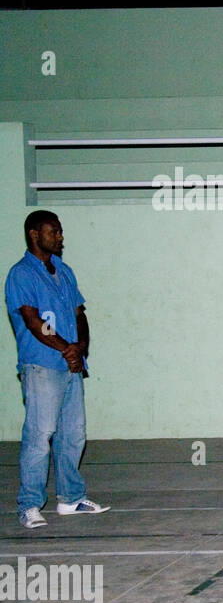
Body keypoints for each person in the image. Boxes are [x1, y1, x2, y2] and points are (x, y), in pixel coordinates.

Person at [5, 211, 109, 529]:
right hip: (42, 365)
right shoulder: (21, 274)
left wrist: (80, 348)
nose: (60, 237)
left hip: (71, 364)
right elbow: (33, 321)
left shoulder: (64, 272)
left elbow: (79, 314)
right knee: (40, 435)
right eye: (54, 232)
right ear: (34, 235)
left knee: (73, 434)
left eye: (61, 232)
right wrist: (66, 348)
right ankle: (30, 505)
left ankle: (70, 499)